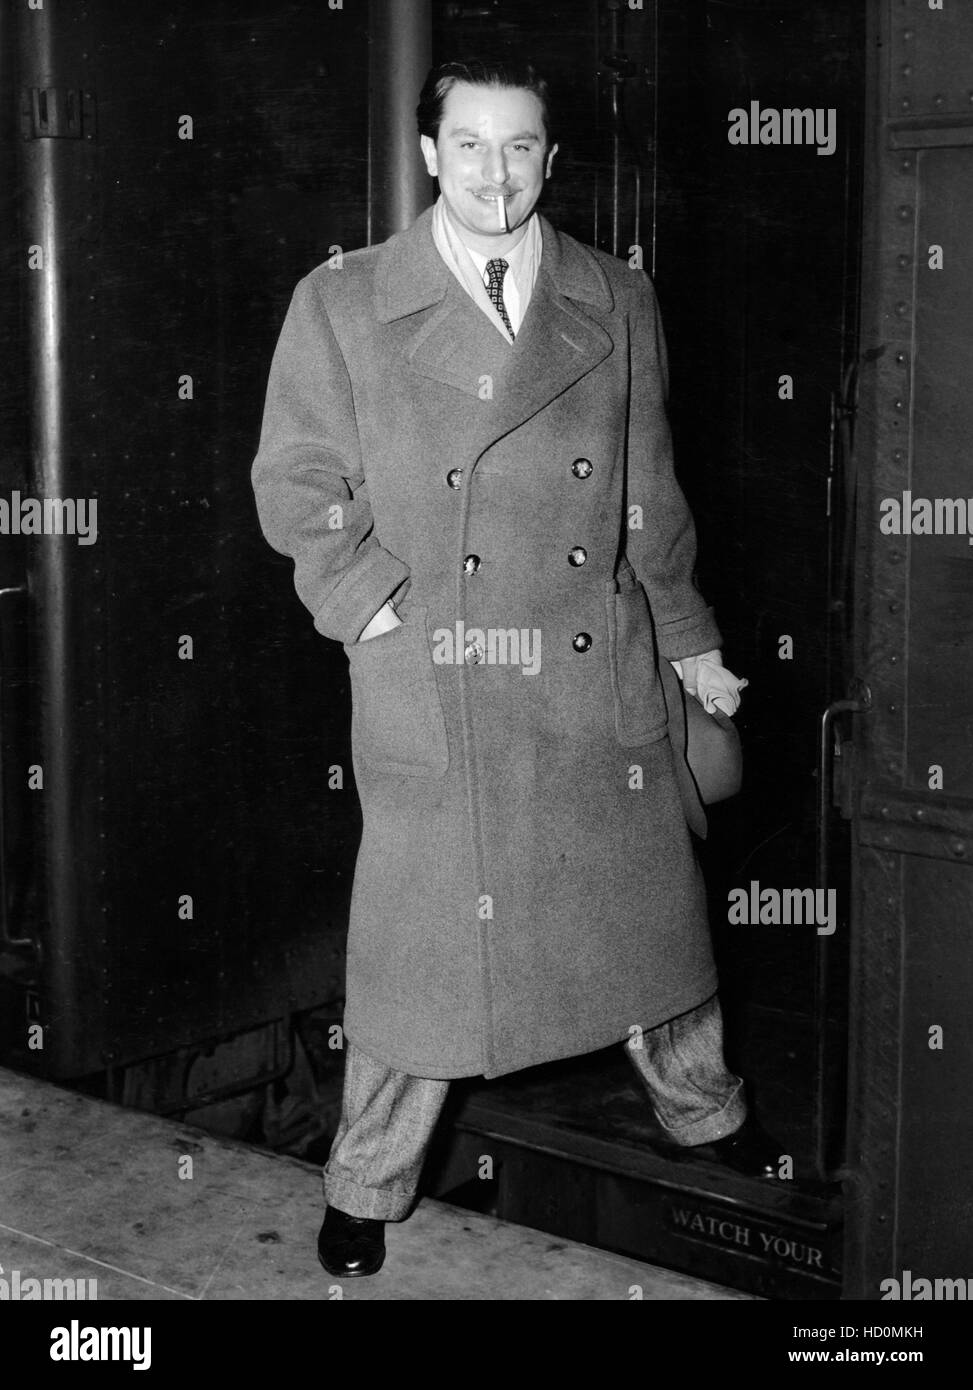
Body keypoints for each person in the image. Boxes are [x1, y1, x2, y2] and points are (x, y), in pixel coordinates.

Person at [252, 58, 779, 1280]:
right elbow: (296, 484)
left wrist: (691, 646)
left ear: (552, 157)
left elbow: (650, 500)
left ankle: (708, 1115)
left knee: (649, 923)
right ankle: (366, 1185)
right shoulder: (341, 303)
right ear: (430, 153)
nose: (498, 173)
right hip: (437, 673)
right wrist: (366, 606)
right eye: (472, 146)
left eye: (523, 147)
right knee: (422, 957)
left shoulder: (616, 294)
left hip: (593, 667)